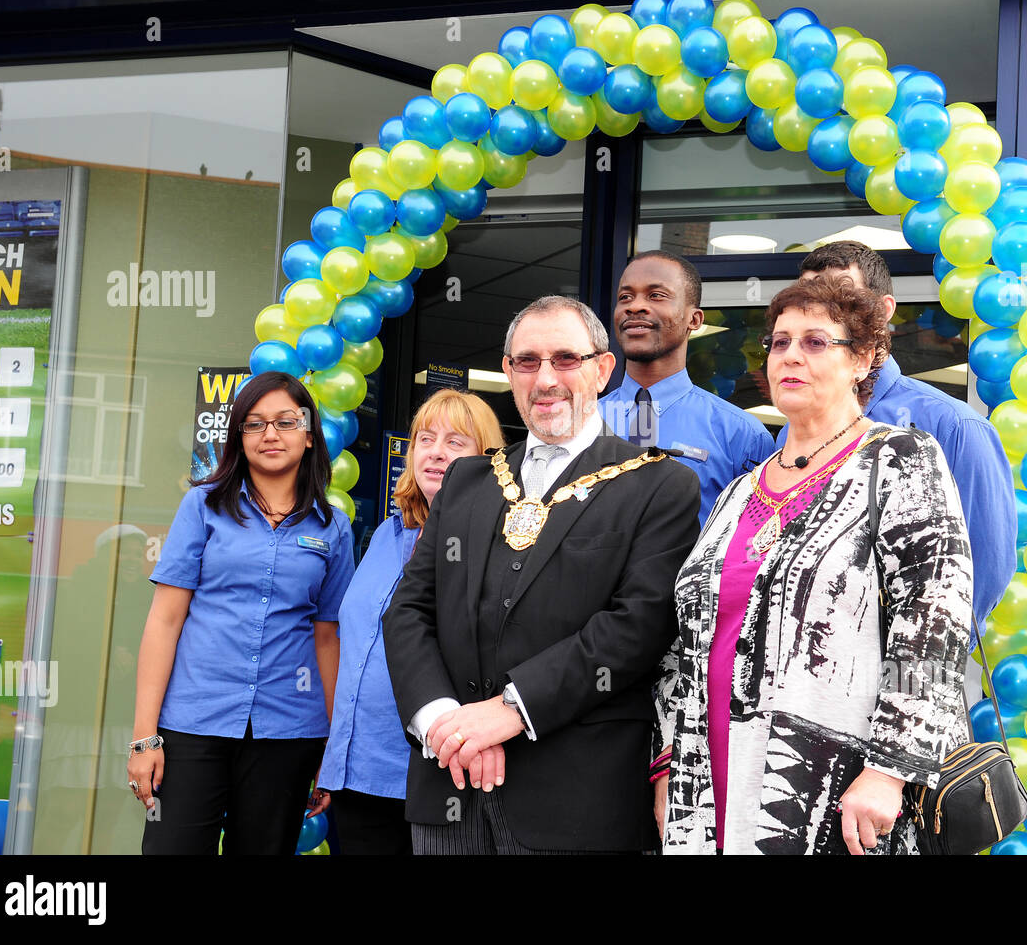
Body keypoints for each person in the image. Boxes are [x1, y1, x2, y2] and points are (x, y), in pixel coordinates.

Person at [655, 277, 972, 855]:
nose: (790, 355)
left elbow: (933, 627)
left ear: (864, 359)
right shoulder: (740, 490)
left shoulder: (899, 460)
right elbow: (689, 635)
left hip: (830, 779)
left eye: (816, 342)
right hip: (706, 778)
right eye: (778, 343)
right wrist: (668, 763)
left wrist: (890, 770)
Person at [385, 294, 701, 854]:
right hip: (449, 785)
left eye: (565, 359)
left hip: (577, 804)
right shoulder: (465, 480)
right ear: (507, 372)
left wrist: (508, 713)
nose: (545, 378)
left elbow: (638, 627)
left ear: (603, 369)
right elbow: (409, 609)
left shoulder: (659, 485)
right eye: (527, 361)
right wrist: (447, 724)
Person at [129, 371, 354, 855]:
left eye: (285, 422)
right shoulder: (203, 507)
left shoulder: (333, 528)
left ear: (310, 434)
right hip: (194, 723)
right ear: (238, 437)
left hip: (290, 729)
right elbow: (164, 621)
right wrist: (144, 738)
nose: (270, 434)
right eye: (254, 424)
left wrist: (333, 747)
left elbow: (328, 638)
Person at [782, 240, 1015, 625]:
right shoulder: (793, 432)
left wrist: (912, 663)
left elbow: (984, 569)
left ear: (884, 310)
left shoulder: (952, 425)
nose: (823, 310)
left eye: (841, 294)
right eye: (809, 296)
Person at [314, 389, 504, 855]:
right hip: (356, 775)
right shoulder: (385, 533)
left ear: (488, 458)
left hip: (436, 779)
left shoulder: (497, 545)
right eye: (425, 438)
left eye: (457, 442)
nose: (436, 452)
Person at [599, 250, 776, 524]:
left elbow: (754, 540)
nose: (635, 306)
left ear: (694, 320)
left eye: (656, 295)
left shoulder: (741, 435)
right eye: (625, 297)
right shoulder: (580, 423)